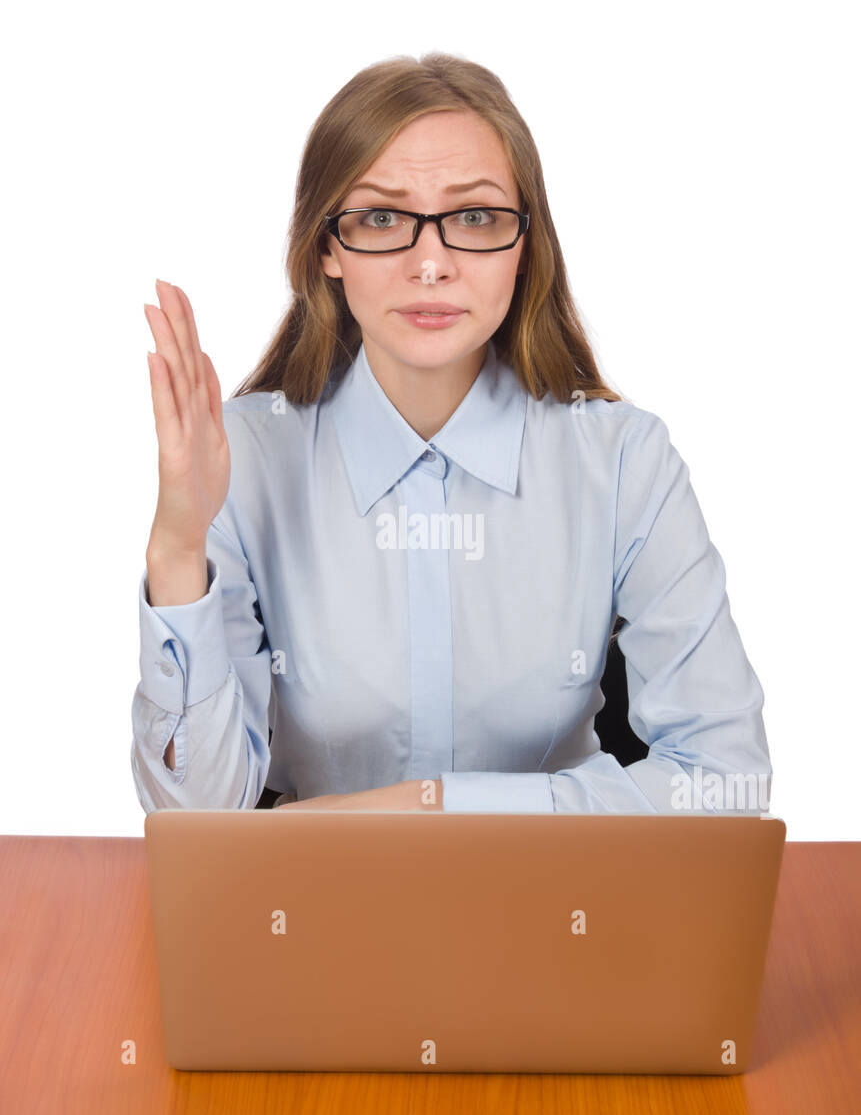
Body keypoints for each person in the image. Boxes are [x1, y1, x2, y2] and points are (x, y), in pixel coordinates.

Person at [131, 52, 771, 817]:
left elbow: (725, 781)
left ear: (524, 245)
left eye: (473, 217)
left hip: (567, 908)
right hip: (314, 914)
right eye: (380, 218)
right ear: (327, 249)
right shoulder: (245, 459)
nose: (430, 264)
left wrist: (425, 806)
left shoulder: (625, 462)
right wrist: (177, 550)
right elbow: (198, 820)